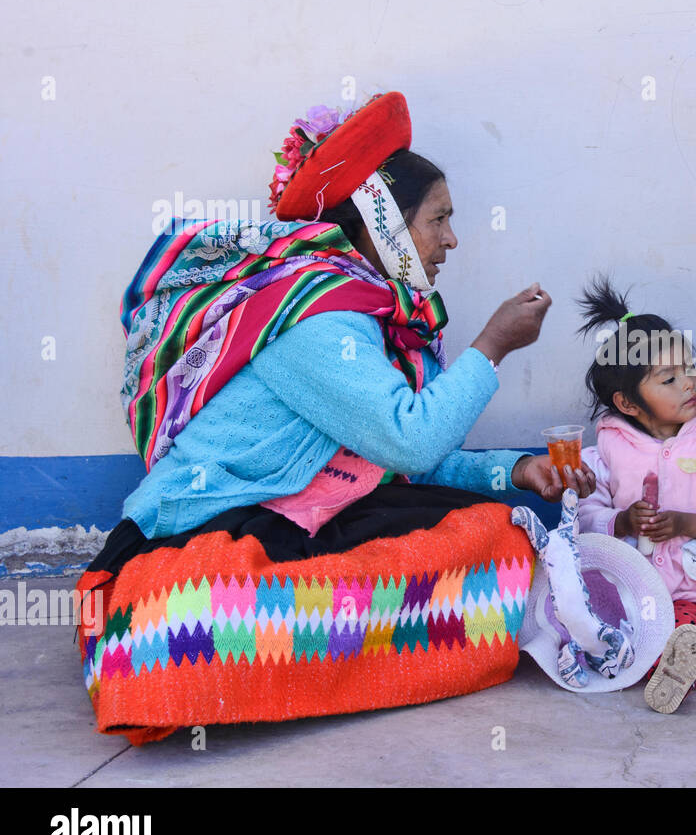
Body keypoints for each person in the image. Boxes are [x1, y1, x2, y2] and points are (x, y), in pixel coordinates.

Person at [77, 91, 595, 744]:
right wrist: (491, 346)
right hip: (219, 520)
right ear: (383, 221)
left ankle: (309, 657)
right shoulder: (316, 317)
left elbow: (415, 457)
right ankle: (235, 657)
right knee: (180, 622)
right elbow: (410, 441)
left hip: (308, 510)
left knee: (497, 538)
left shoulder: (379, 316)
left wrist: (519, 471)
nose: (452, 240)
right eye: (438, 220)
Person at [574, 279, 696, 714]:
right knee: (602, 615)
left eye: (690, 368)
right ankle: (616, 651)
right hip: (625, 581)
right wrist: (621, 521)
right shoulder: (605, 453)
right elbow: (585, 515)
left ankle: (675, 665)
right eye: (669, 379)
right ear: (629, 403)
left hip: (689, 581)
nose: (689, 384)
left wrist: (688, 524)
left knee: (684, 620)